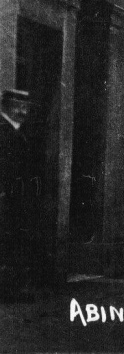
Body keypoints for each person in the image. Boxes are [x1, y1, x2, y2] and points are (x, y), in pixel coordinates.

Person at [0, 90, 35, 301]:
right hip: (5, 197)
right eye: (18, 106)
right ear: (5, 106)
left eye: (25, 107)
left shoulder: (18, 131)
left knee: (13, 239)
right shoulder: (4, 131)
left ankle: (12, 288)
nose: (22, 111)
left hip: (17, 196)